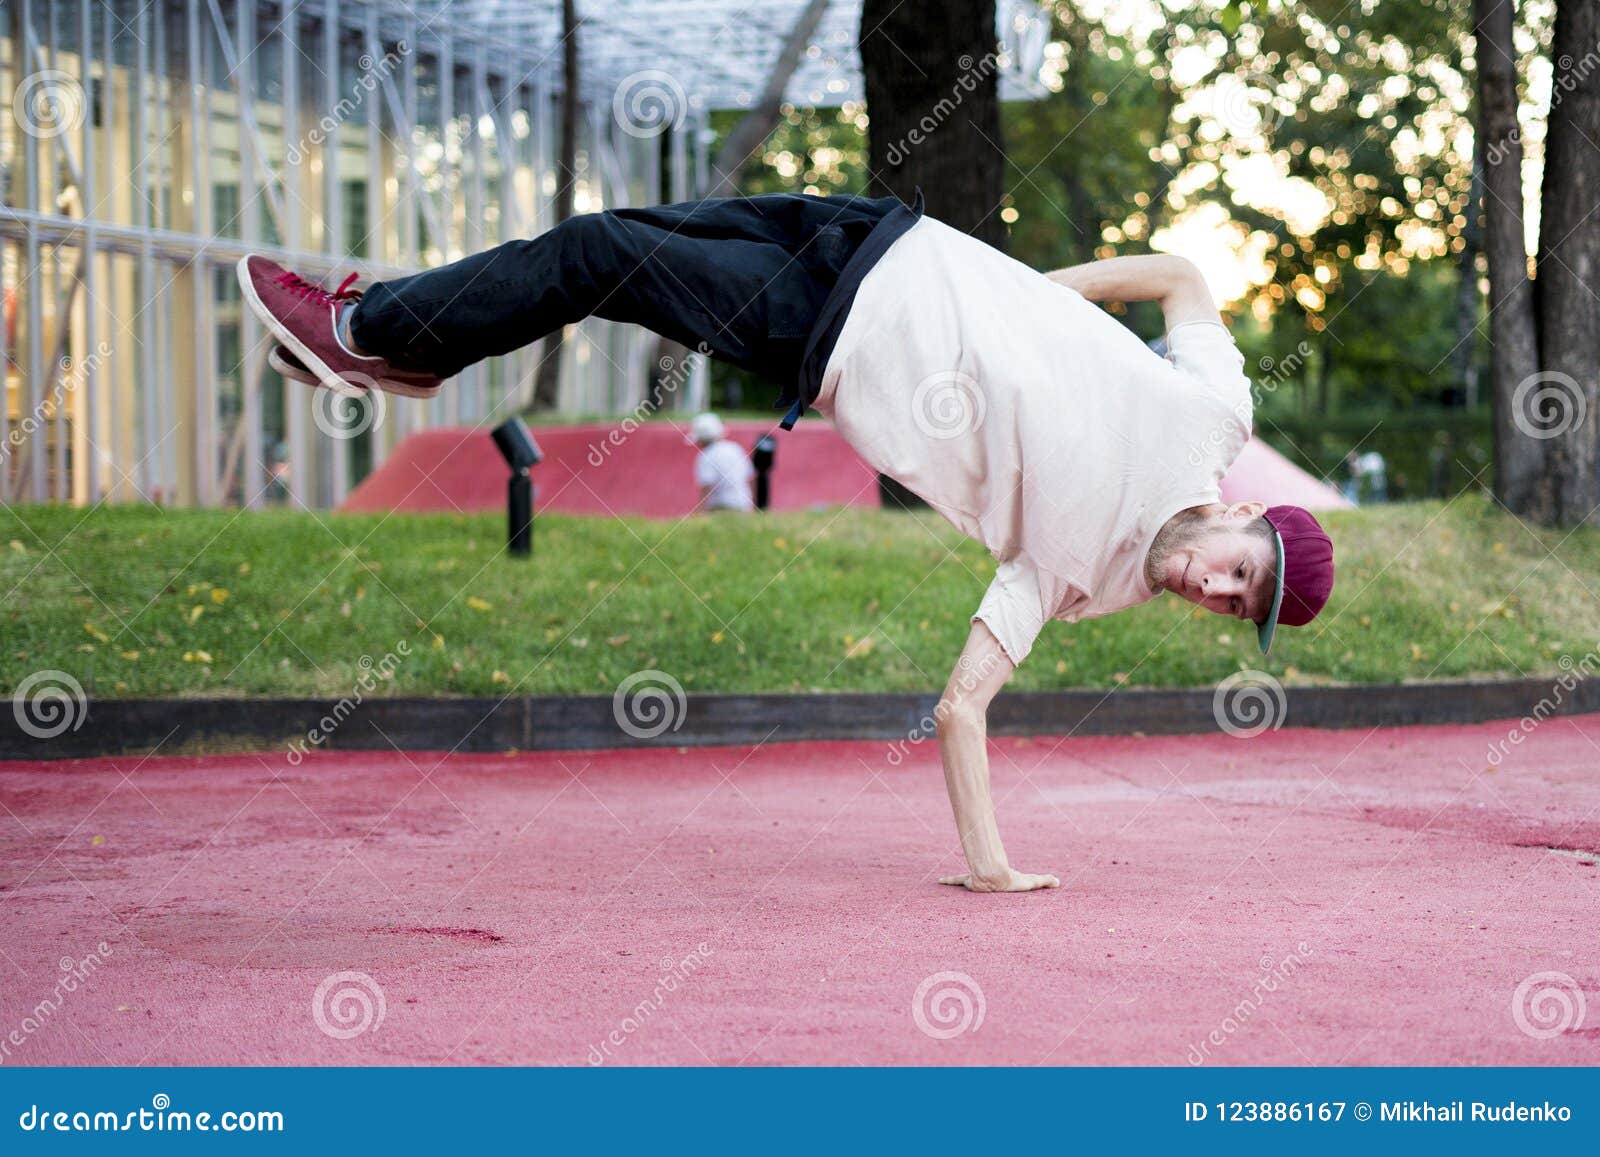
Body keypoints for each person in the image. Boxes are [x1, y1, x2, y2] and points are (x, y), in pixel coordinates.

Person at [238, 188, 1335, 895]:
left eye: (1231, 607)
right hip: (879, 237)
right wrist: (1035, 297)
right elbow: (1184, 276)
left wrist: (990, 866)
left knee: (595, 251)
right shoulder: (1215, 419)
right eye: (1238, 573)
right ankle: (411, 348)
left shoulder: (1082, 576)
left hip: (834, 335)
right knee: (612, 231)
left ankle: (366, 331)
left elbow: (962, 708)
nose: (1212, 589)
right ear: (1245, 517)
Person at [688, 412, 754, 513]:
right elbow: (749, 477)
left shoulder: (706, 456)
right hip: (743, 505)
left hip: (720, 507)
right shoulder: (735, 448)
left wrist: (700, 511)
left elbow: (707, 486)